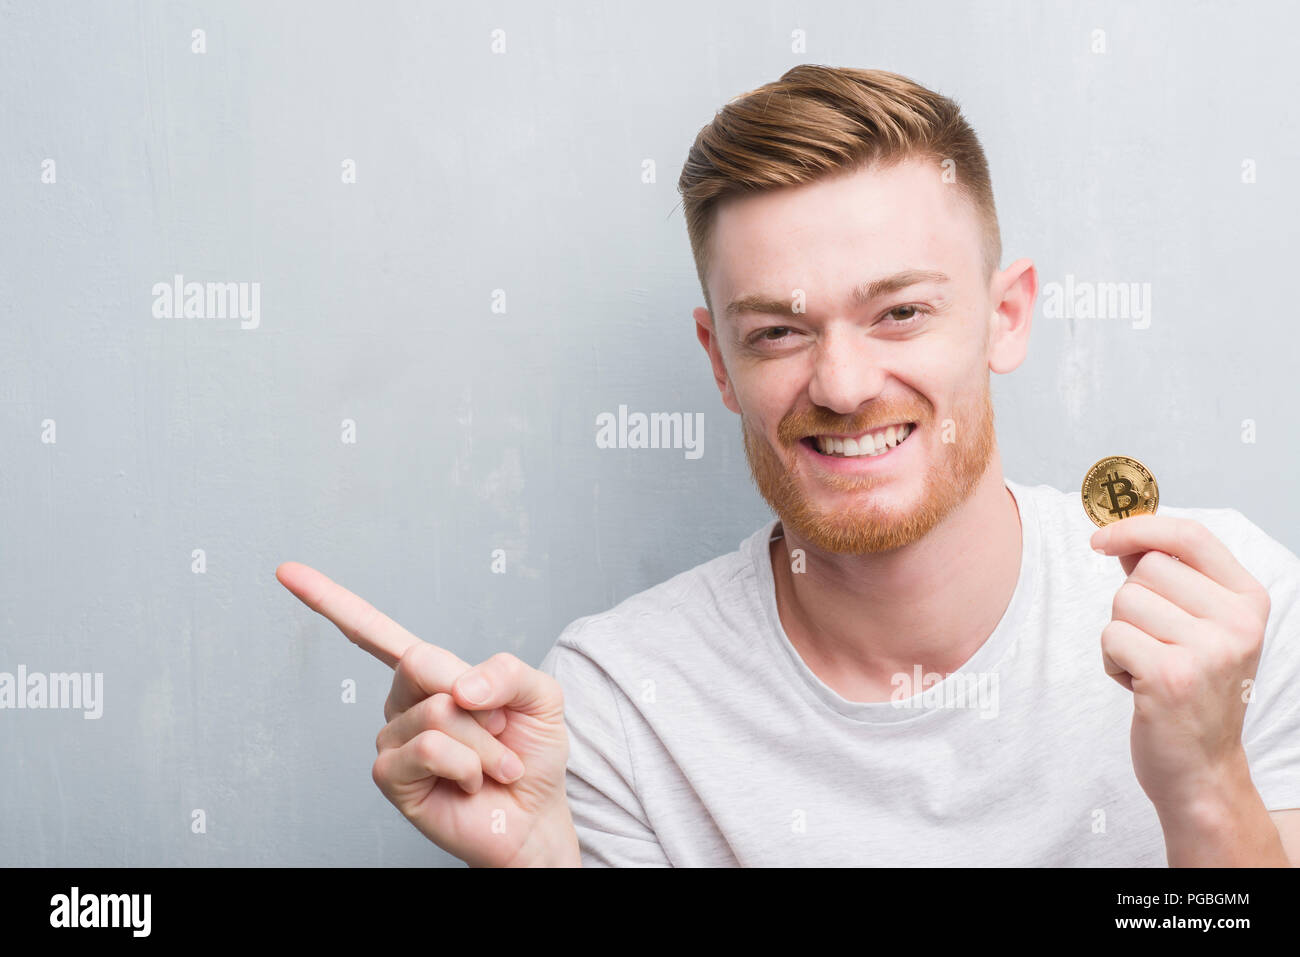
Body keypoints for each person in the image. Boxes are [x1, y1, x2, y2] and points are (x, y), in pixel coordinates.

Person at [277, 65, 1300, 867]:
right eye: (776, 333)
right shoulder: (617, 707)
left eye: (899, 311)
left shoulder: (1224, 608)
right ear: (718, 363)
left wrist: (1204, 778)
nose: (846, 386)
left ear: (1004, 316)